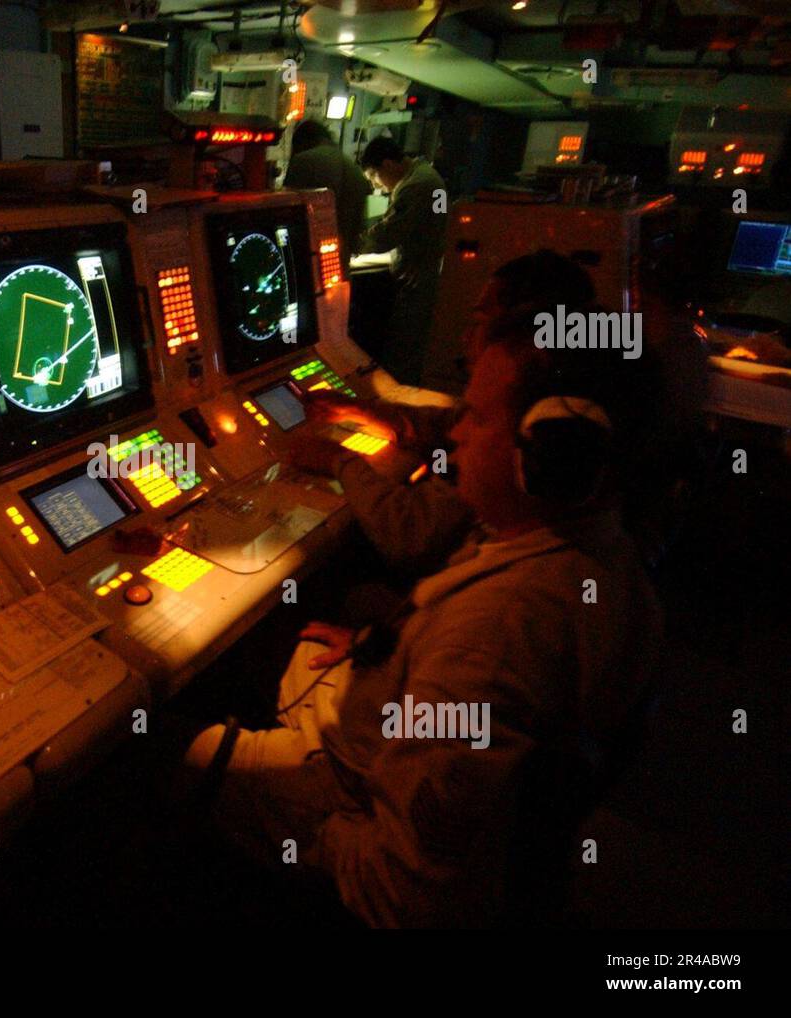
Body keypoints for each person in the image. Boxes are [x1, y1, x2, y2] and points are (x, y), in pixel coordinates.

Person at [180, 306, 666, 926]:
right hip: (382, 741)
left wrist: (317, 832)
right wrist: (380, 645)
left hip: (348, 801)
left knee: (154, 757)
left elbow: (408, 892)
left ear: (550, 460)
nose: (455, 432)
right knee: (292, 640)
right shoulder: (602, 558)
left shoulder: (494, 637)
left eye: (478, 415)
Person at [292, 250, 600, 574]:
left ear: (520, 331)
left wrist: (339, 460)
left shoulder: (523, 431)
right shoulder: (559, 402)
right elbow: (449, 423)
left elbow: (411, 533)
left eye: (481, 321)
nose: (466, 336)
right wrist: (367, 411)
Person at [357, 136, 448, 385]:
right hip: (427, 272)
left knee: (403, 350)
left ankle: (397, 409)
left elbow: (389, 233)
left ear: (388, 165)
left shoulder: (416, 186)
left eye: (374, 176)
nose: (377, 186)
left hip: (416, 278)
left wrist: (354, 246)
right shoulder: (430, 177)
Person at [284, 119, 371, 262]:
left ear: (301, 141)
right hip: (340, 261)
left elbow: (288, 212)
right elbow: (358, 232)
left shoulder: (303, 161)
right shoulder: (353, 168)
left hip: (309, 261)